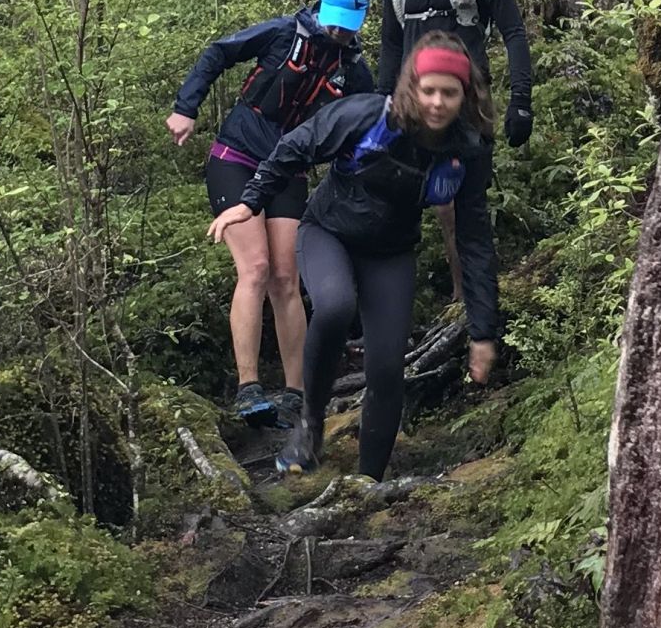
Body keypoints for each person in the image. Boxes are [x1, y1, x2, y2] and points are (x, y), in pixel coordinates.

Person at [208, 41, 497, 482]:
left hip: (391, 253)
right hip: (328, 233)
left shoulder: (467, 149)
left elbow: (475, 239)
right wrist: (250, 202)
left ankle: (368, 483)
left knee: (386, 368)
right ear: (411, 89)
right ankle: (309, 424)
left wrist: (482, 331)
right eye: (429, 91)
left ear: (465, 96)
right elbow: (295, 147)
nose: (437, 103)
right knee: (336, 304)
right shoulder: (366, 116)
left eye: (449, 93)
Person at [168, 0, 375, 421]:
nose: (338, 30)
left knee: (286, 276)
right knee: (256, 268)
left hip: (288, 168)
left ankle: (296, 392)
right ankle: (248, 387)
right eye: (333, 19)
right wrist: (186, 107)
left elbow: (369, 123)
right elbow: (218, 53)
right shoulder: (284, 33)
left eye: (347, 22)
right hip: (237, 156)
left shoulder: (353, 70)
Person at [381, 0, 532, 357]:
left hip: (466, 112)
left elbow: (512, 31)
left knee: (459, 211)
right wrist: (380, 104)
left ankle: (467, 302)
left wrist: (521, 100)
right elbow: (390, 43)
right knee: (395, 208)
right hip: (410, 112)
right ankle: (391, 314)